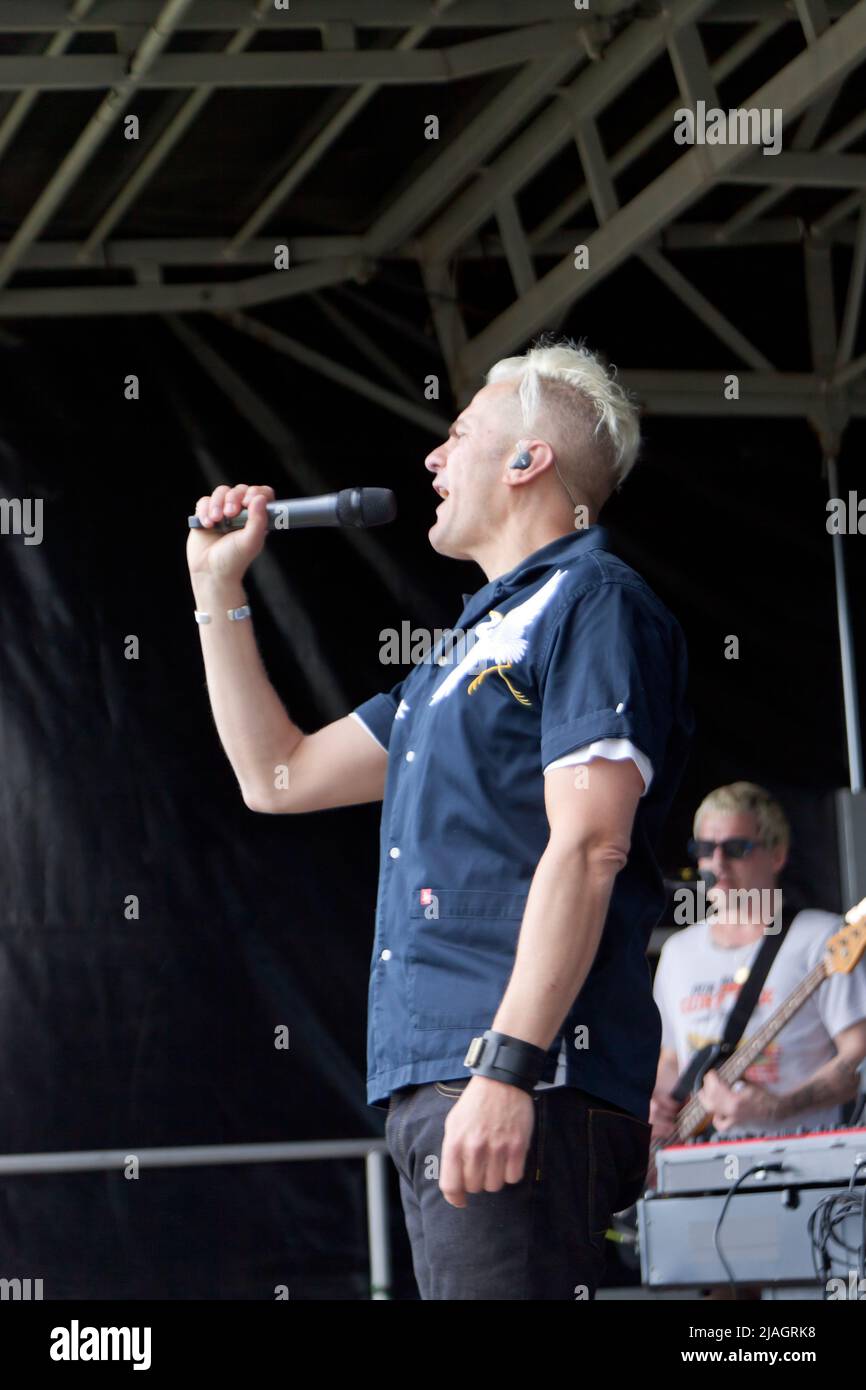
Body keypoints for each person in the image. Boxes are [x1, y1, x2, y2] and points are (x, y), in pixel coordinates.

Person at [187, 337, 692, 1300]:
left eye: (457, 434)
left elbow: (591, 846)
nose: (432, 458)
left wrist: (507, 1070)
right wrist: (219, 592)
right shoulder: (460, 654)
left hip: (522, 1077)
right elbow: (278, 776)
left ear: (526, 460)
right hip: (441, 1079)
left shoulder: (591, 602)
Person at [650, 781, 866, 1147]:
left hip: (801, 1162)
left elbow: (857, 1058)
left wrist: (778, 1108)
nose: (718, 862)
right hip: (695, 1165)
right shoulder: (677, 951)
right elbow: (671, 1060)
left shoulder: (820, 937)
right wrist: (656, 1104)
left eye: (736, 848)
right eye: (705, 848)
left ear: (777, 854)